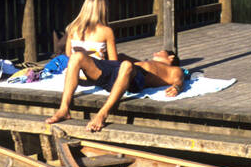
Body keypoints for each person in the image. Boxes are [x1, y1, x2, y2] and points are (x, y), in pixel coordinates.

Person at [48, 48, 188, 132]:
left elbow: (179, 79)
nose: (155, 52)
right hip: (117, 71)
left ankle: (102, 114)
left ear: (171, 57)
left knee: (127, 65)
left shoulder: (173, 69)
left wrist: (177, 87)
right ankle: (64, 109)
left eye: (160, 51)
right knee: (76, 56)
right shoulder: (146, 62)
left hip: (134, 78)